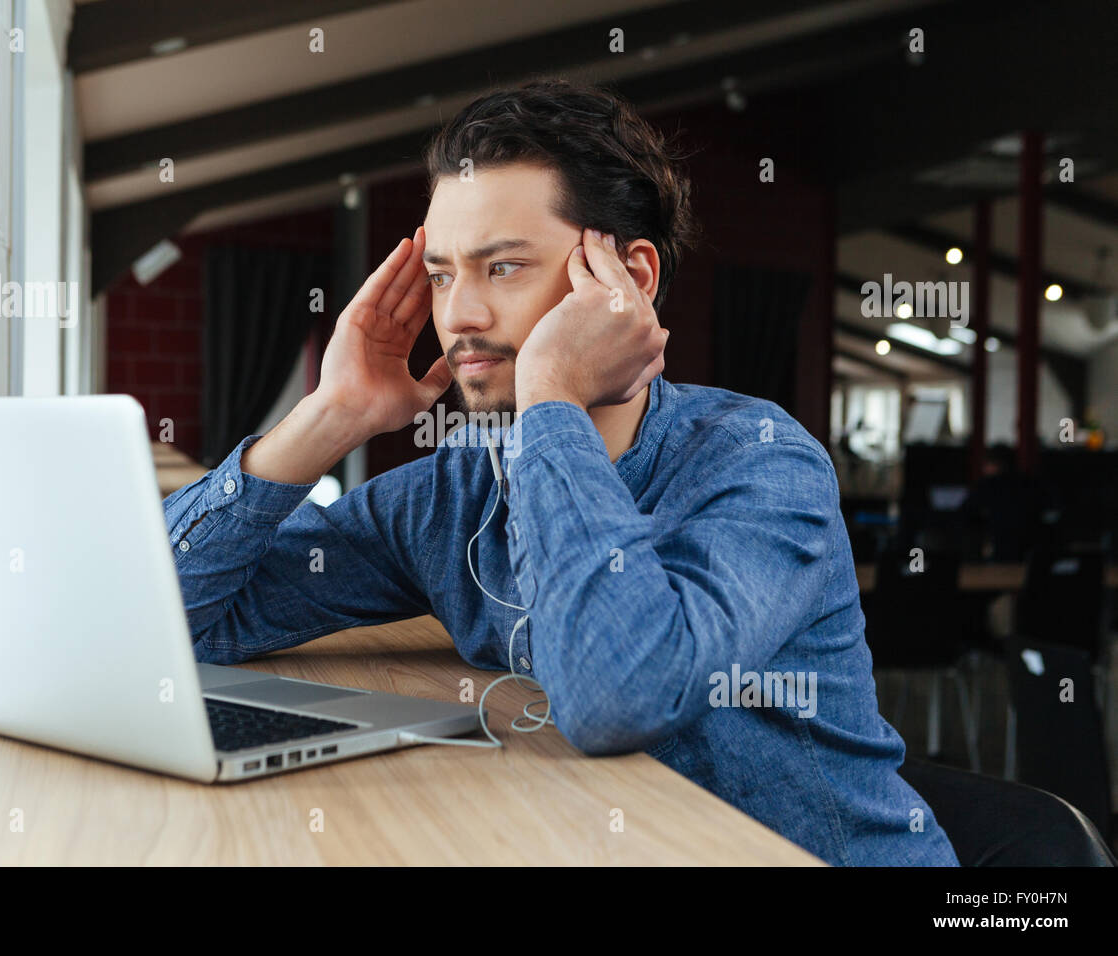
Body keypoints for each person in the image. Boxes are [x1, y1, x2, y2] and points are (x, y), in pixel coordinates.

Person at [162, 79, 958, 866]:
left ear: (629, 282)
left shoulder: (760, 460)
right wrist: (330, 415)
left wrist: (551, 395)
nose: (460, 314)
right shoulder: (450, 497)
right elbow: (171, 619)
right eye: (442, 274)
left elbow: (617, 698)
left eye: (502, 267)